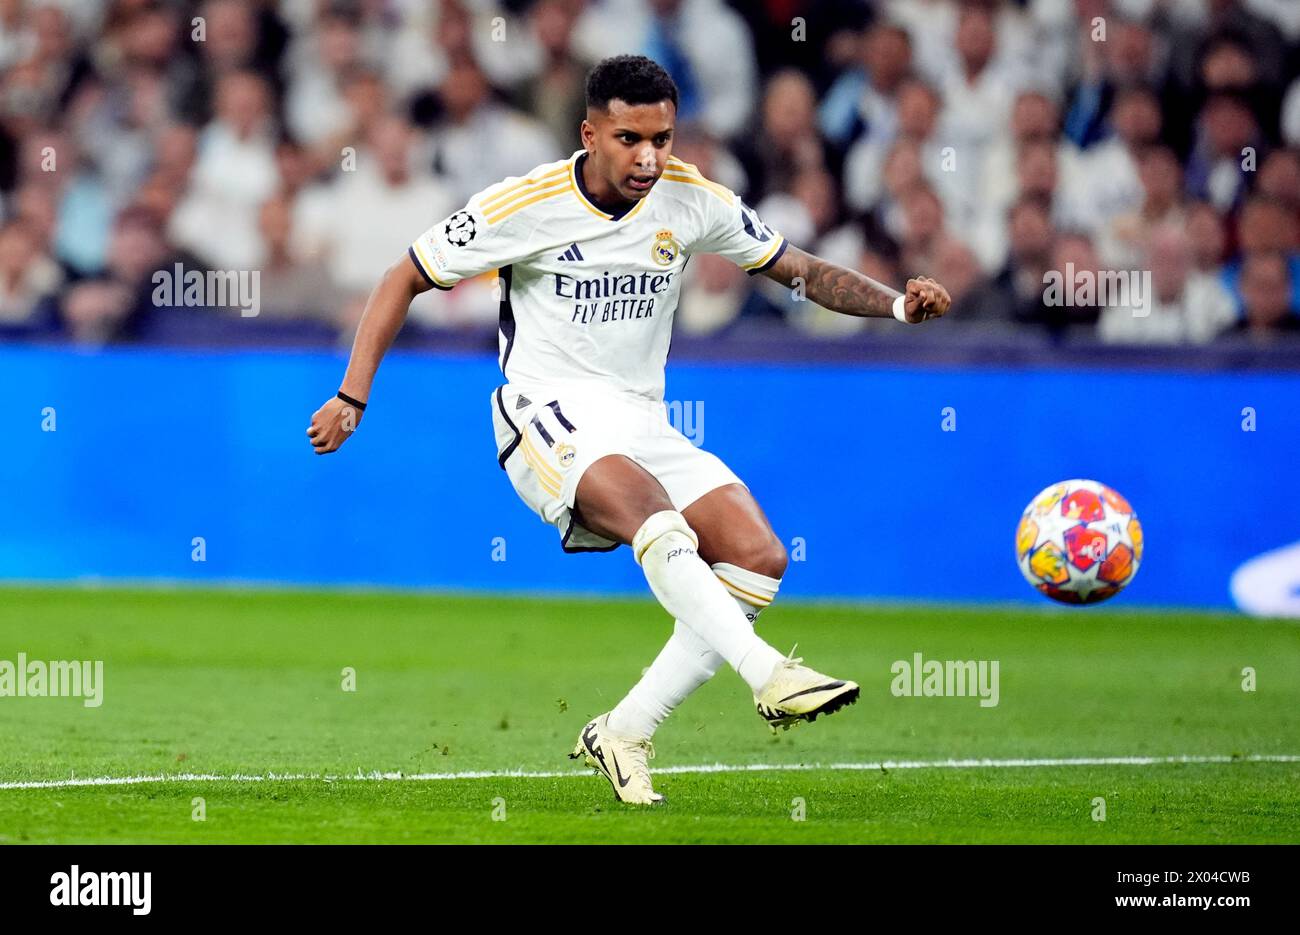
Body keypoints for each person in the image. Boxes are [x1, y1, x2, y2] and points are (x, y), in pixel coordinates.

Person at [305, 55, 951, 805]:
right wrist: (353, 395)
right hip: (544, 413)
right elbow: (404, 276)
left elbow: (796, 269)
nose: (648, 158)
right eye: (629, 139)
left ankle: (627, 727)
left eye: (663, 139)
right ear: (590, 133)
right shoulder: (525, 203)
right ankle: (768, 674)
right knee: (655, 516)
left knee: (757, 556)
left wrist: (899, 308)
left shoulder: (691, 198)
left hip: (640, 416)